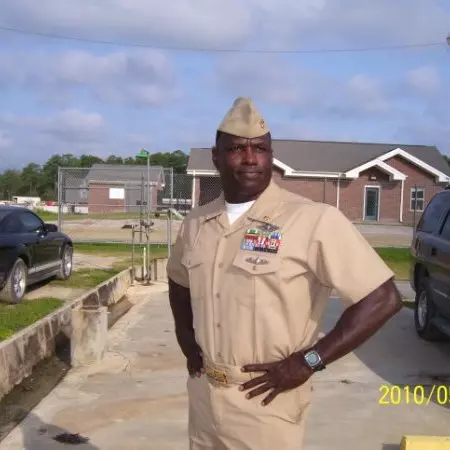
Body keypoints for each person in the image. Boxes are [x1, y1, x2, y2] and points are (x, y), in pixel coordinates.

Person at [166, 97, 403, 450]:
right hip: (204, 395)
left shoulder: (312, 219)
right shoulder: (197, 223)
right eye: (236, 149)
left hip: (266, 401)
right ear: (215, 157)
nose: (250, 159)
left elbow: (383, 298)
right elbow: (179, 280)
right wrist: (186, 337)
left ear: (271, 156)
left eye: (260, 149)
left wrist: (310, 360)